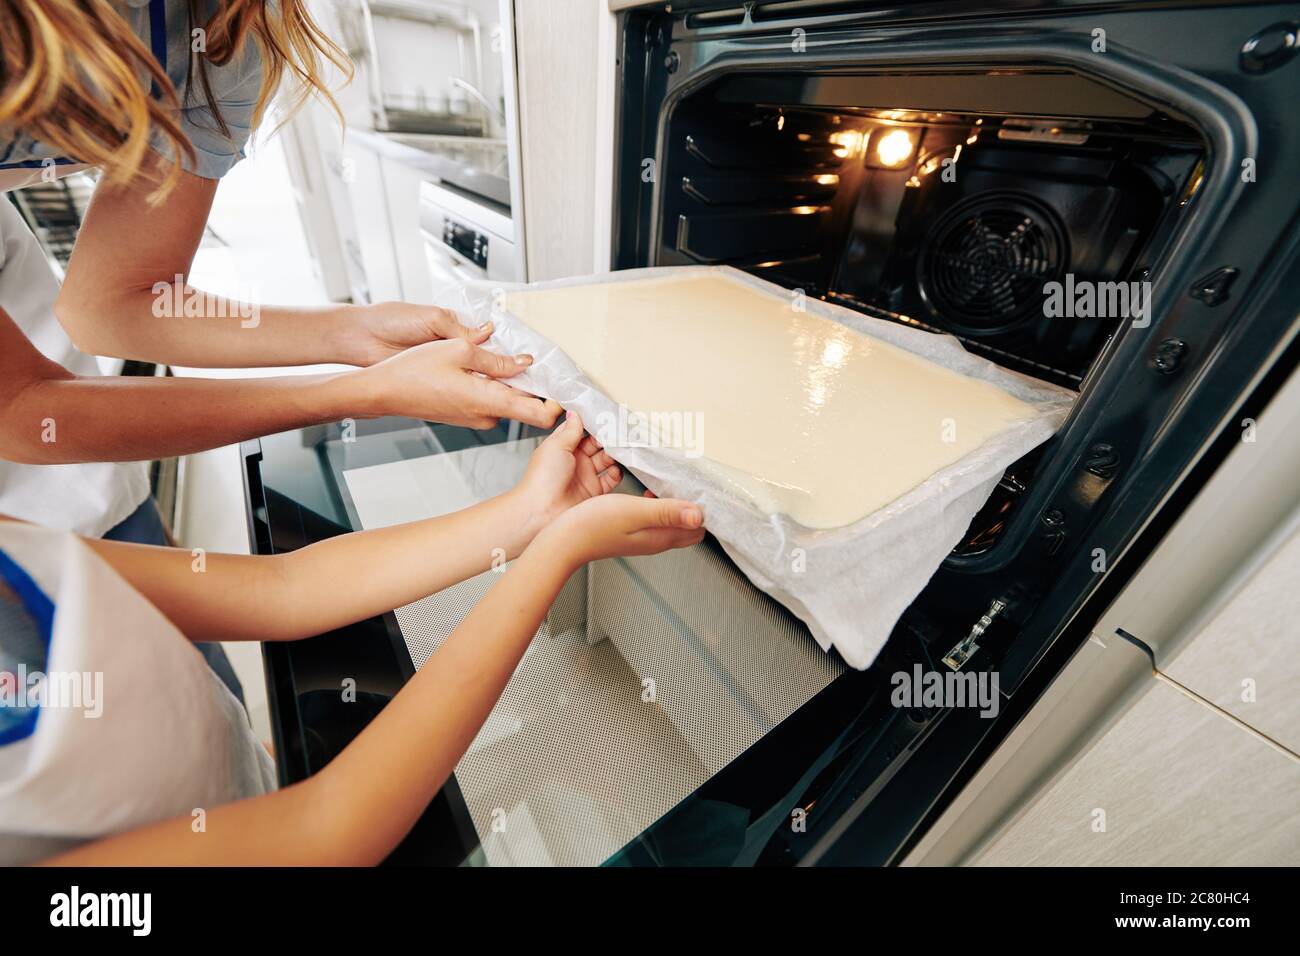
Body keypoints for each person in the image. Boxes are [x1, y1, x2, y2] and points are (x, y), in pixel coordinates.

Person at [0, 0, 559, 697]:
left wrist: (353, 334)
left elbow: (104, 306)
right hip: (21, 528)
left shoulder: (227, 38)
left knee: (196, 695)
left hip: (92, 484)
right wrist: (366, 390)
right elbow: (20, 411)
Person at [0, 413, 706, 865]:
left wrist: (527, 514)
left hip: (232, 792)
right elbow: (321, 832)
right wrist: (556, 550)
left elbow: (281, 592)